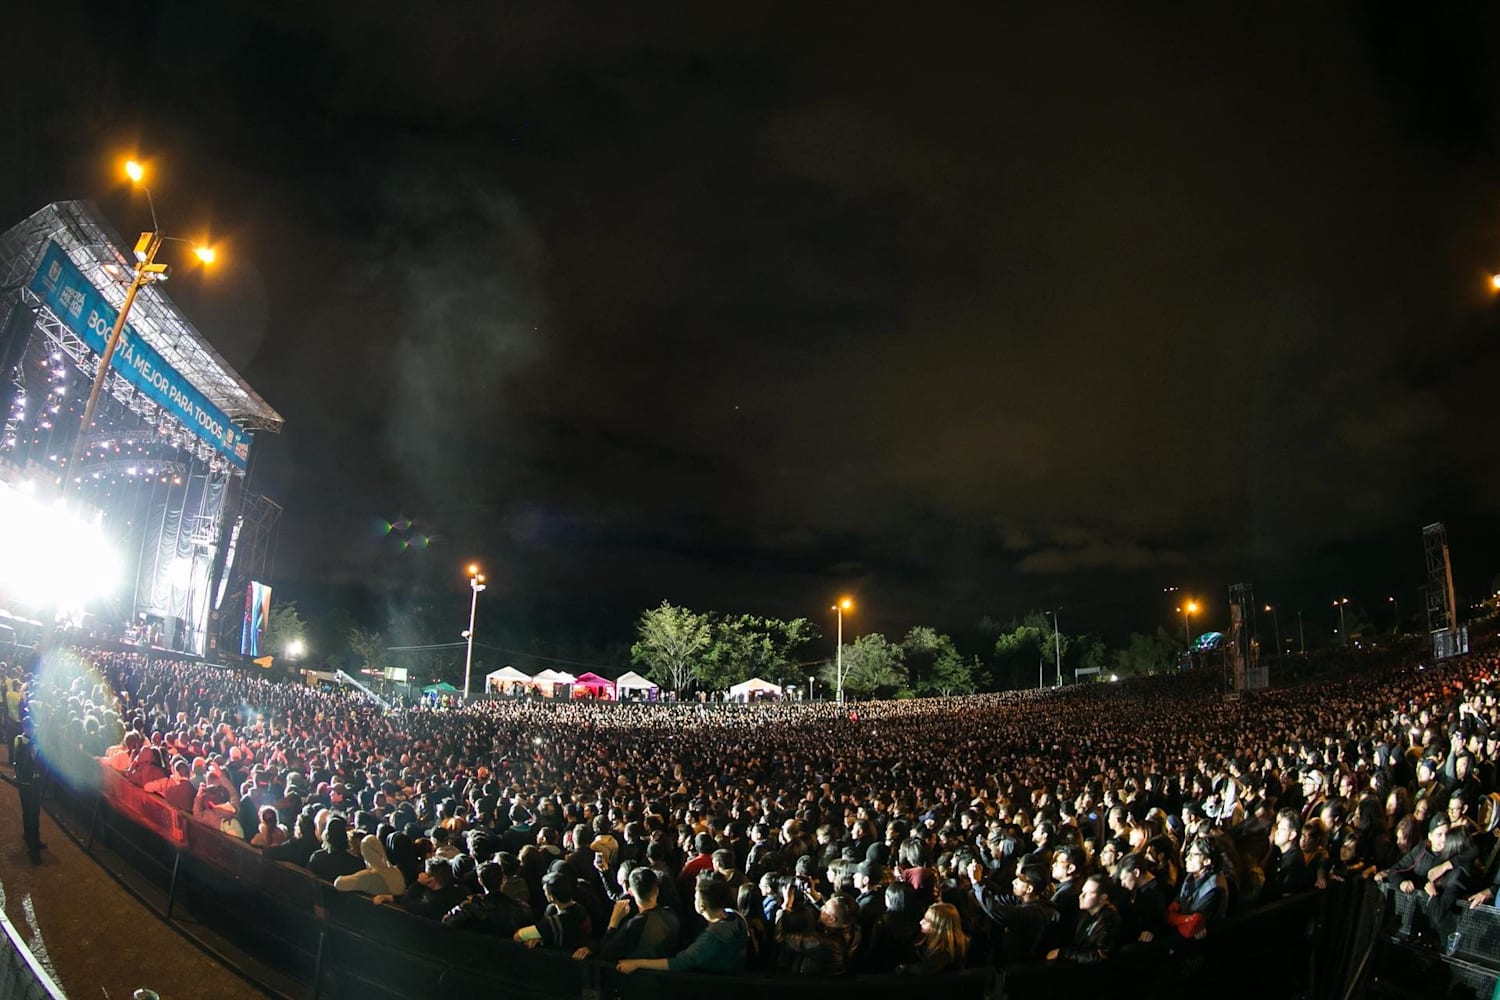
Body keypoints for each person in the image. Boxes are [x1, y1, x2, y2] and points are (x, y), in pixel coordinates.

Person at [617, 877, 748, 975]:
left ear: (702, 906)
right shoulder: (735, 915)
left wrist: (636, 963)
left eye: (696, 897)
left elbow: (680, 962)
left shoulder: (712, 937)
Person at [576, 865, 680, 961]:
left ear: (630, 892)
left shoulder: (635, 924)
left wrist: (614, 922)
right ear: (656, 890)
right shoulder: (671, 915)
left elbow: (606, 953)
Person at [1047, 875, 1121, 963]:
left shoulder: (1109, 919)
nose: (1081, 896)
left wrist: (1063, 953)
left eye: (1088, 893)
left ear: (1103, 898)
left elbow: (1101, 955)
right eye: (1082, 891)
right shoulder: (1086, 915)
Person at [898, 902, 967, 974]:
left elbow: (925, 970)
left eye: (927, 920)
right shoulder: (927, 940)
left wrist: (905, 968)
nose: (921, 922)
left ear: (940, 926)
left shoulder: (942, 952)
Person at [12, 715, 43, 859]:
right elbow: (18, 761)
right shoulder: (20, 740)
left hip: (35, 782)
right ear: (25, 728)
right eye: (30, 728)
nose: (32, 730)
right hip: (25, 782)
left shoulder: (34, 741)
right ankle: (32, 842)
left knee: (35, 811)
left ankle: (34, 838)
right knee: (29, 812)